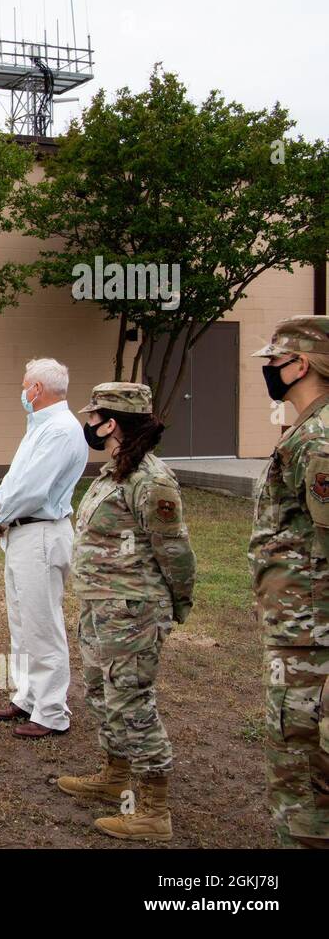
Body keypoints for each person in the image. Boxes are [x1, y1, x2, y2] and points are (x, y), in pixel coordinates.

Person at [57, 382, 195, 842]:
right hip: (102, 606)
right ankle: (115, 776)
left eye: (92, 417)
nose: (87, 425)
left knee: (132, 702)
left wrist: (178, 603)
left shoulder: (150, 481)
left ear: (111, 424)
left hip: (133, 612)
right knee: (102, 693)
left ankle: (154, 810)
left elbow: (174, 550)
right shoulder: (115, 472)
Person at [249, 315, 329, 849]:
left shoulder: (318, 439)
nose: (269, 371)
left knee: (302, 771)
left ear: (300, 365)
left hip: (313, 640)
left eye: (274, 362)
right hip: (302, 631)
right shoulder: (307, 430)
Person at [0, 357, 88, 738]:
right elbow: (16, 477)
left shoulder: (60, 430)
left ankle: (52, 711)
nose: (23, 392)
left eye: (25, 385)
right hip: (24, 533)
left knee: (42, 625)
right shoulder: (41, 426)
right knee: (23, 623)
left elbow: (33, 489)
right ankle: (27, 697)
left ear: (37, 389)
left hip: (41, 533)